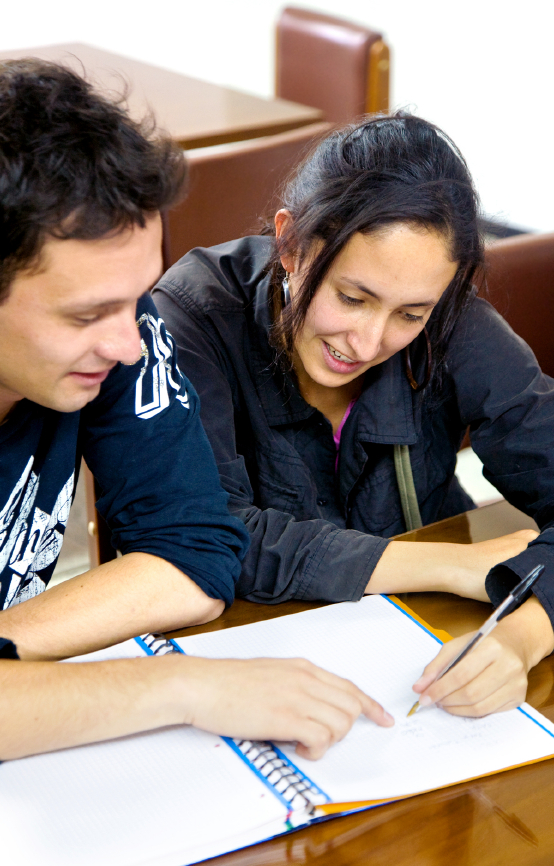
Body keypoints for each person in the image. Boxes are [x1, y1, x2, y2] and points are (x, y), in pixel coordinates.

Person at [0, 59, 393, 761]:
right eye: (88, 313)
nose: (130, 344)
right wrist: (179, 685)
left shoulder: (115, 335)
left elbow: (195, 554)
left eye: (138, 295)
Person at [153, 113, 554, 720]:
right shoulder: (192, 318)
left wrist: (523, 639)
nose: (367, 343)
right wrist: (450, 563)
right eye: (351, 298)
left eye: (410, 314)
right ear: (290, 244)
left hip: (427, 654)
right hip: (248, 669)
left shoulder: (448, 322)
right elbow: (206, 540)